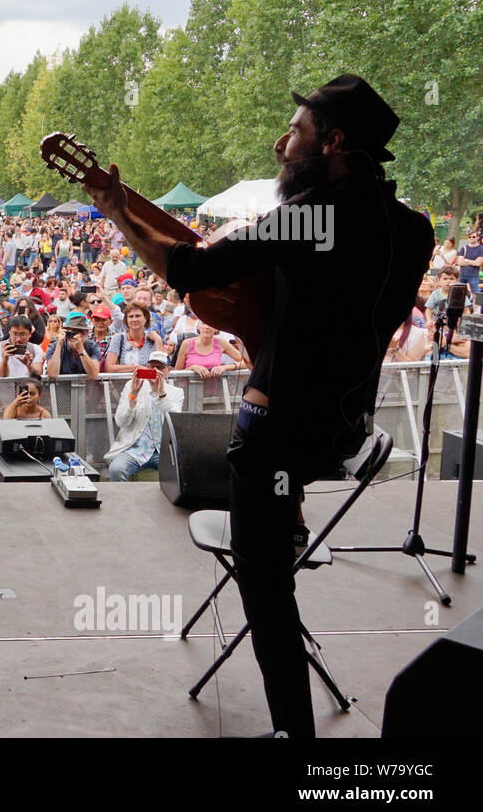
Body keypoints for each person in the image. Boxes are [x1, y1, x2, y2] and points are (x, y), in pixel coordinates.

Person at [84, 74, 431, 737]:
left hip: (274, 434)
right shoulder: (414, 231)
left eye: (295, 131)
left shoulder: (309, 219)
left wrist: (118, 211)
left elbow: (187, 270)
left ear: (332, 140)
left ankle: (293, 736)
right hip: (340, 432)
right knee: (273, 556)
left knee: (265, 587)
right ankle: (290, 523)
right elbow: (333, 300)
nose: (281, 144)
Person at [103, 352, 185, 481]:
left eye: (160, 367)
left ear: (169, 370)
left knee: (182, 471)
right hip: (134, 449)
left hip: (163, 450)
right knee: (116, 469)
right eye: (151, 367)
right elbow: (120, 422)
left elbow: (175, 422)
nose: (155, 371)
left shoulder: (176, 392)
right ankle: (123, 501)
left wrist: (161, 394)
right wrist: (133, 396)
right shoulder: (132, 385)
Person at [175, 320, 247, 378]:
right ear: (198, 327)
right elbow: (176, 373)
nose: (207, 327)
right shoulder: (186, 343)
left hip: (213, 393)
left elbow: (247, 363)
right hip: (189, 391)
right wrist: (192, 368)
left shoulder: (221, 342)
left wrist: (225, 367)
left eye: (210, 323)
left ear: (216, 329)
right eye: (203, 323)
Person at [44, 312, 102, 379]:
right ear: (67, 332)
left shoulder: (92, 346)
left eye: (82, 332)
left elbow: (94, 374)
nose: (78, 336)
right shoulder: (55, 345)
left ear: (87, 333)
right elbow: (52, 374)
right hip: (61, 388)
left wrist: (81, 350)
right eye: (74, 332)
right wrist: (59, 345)